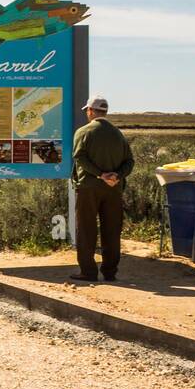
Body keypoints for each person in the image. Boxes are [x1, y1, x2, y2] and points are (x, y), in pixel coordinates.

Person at [71, 95, 134, 282]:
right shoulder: (118, 134)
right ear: (105, 112)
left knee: (86, 229)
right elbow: (129, 161)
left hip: (88, 188)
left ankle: (88, 272)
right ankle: (110, 272)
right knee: (112, 231)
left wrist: (100, 174)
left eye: (87, 111)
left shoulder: (84, 132)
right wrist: (116, 176)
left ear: (90, 111)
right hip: (114, 189)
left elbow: (79, 158)